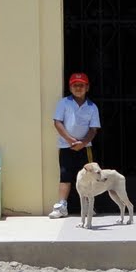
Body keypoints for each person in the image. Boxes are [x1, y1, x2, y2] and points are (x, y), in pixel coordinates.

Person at [50, 71, 100, 219]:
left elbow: (93, 129)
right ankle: (62, 206)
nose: (78, 88)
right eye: (75, 85)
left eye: (81, 85)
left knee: (88, 176)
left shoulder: (92, 107)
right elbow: (57, 122)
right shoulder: (64, 103)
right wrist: (71, 140)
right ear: (70, 87)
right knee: (65, 176)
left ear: (87, 87)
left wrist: (83, 143)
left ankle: (88, 206)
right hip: (67, 147)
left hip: (86, 148)